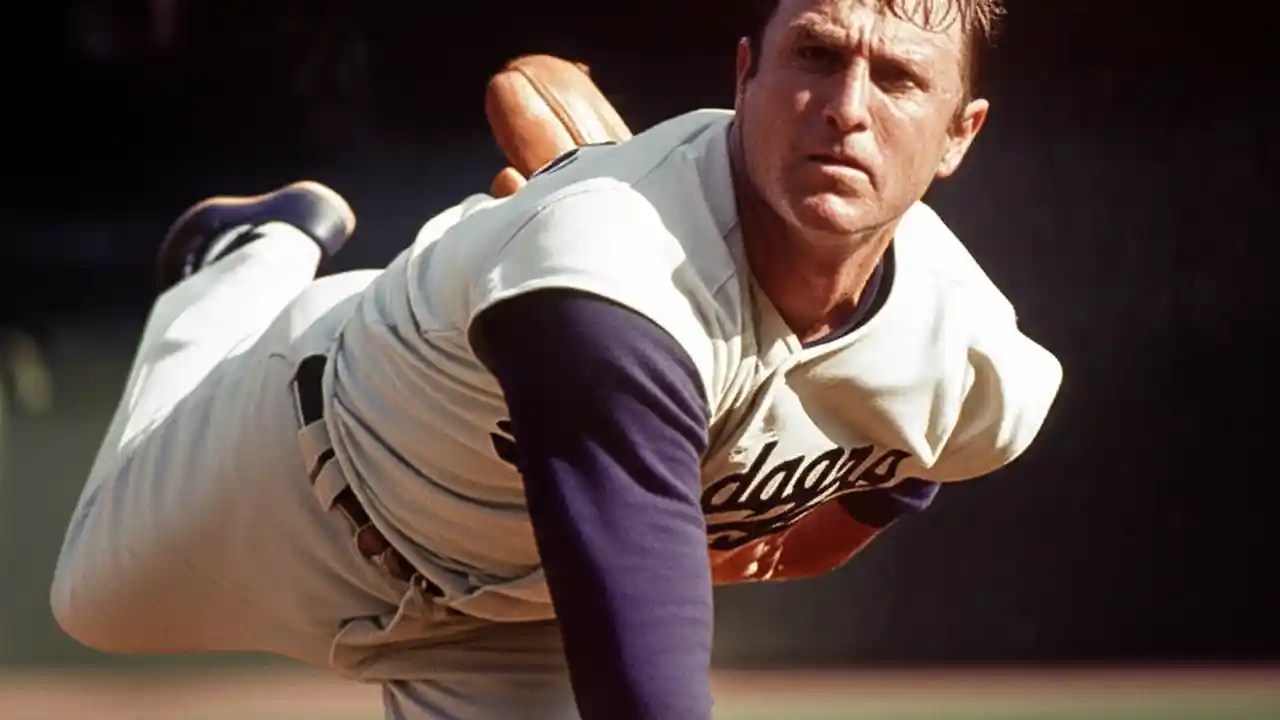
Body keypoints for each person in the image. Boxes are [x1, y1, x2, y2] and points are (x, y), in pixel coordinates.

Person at [49, 0, 1062, 718]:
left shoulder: (973, 362)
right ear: (744, 76)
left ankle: (481, 254)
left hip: (515, 619)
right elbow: (645, 698)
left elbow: (868, 493)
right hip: (308, 474)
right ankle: (245, 258)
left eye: (896, 77)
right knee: (91, 604)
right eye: (814, 55)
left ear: (956, 135)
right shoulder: (610, 286)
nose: (846, 106)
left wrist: (727, 542)